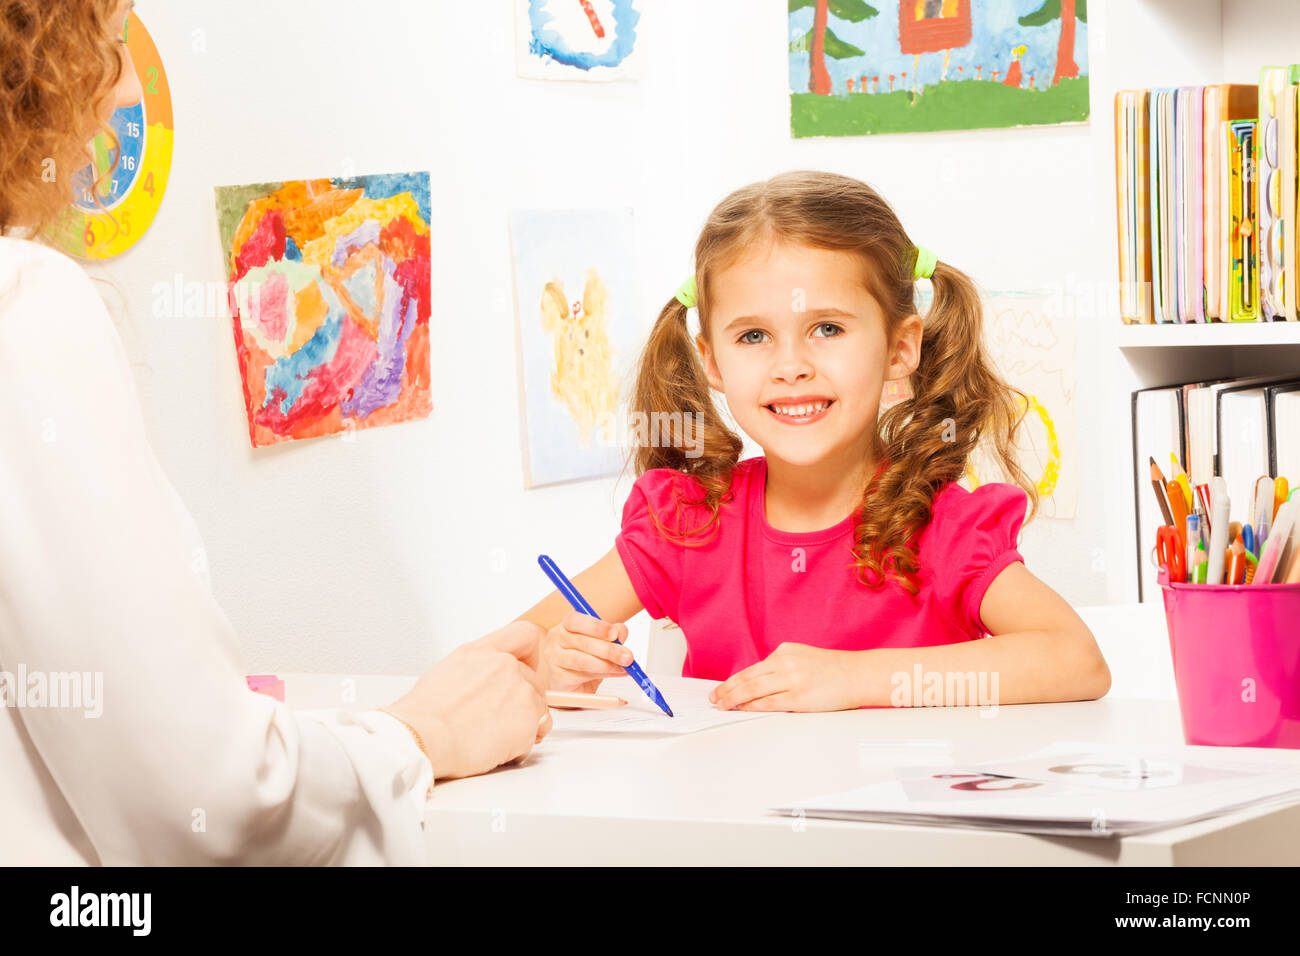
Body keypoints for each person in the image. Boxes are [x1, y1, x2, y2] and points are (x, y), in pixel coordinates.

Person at [0, 0, 551, 866]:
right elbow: (202, 798)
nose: (117, 96)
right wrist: (422, 734)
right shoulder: (24, 306)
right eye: (108, 45)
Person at [522, 170, 1110, 712]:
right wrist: (553, 667)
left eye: (827, 329)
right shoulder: (686, 523)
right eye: (753, 335)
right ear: (713, 363)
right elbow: (510, 656)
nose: (791, 365)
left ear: (900, 348)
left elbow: (1077, 661)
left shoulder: (941, 528)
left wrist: (854, 679)